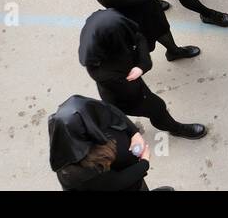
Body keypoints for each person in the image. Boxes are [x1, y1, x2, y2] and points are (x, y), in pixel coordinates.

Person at [78, 8, 208, 140]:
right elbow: (132, 90)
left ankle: (120, 125)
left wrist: (142, 67)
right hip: (123, 95)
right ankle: (176, 129)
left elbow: (138, 37)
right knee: (157, 108)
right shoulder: (103, 72)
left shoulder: (112, 34)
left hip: (126, 80)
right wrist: (139, 65)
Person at [47, 94, 157, 191]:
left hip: (133, 177)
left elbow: (111, 111)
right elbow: (116, 183)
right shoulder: (76, 171)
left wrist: (134, 132)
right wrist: (144, 162)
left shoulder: (82, 118)